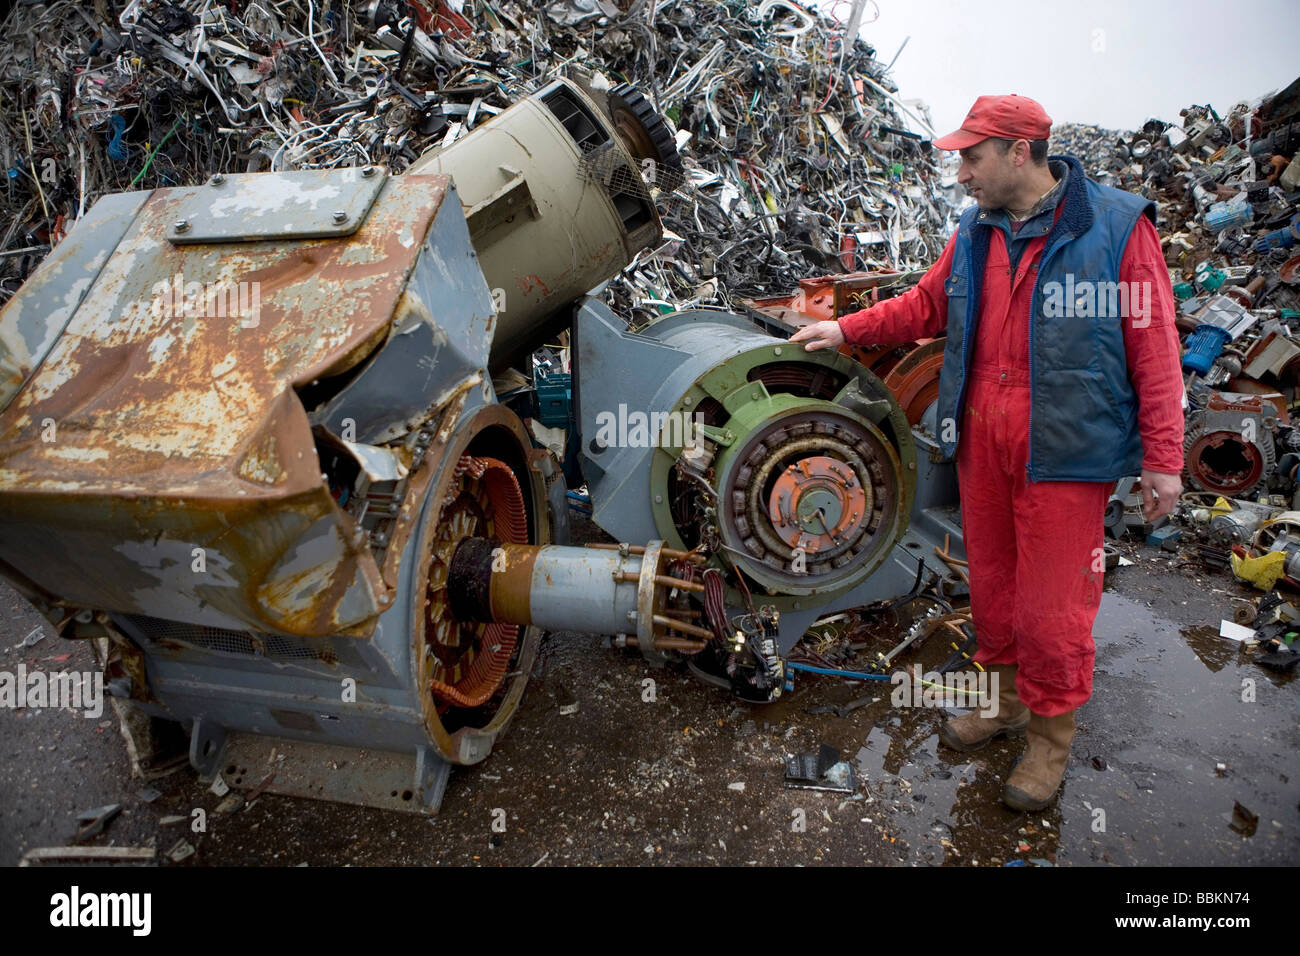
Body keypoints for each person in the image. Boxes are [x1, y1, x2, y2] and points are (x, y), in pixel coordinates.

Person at [790, 94, 1186, 811]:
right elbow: (925, 306)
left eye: (972, 157)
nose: (961, 172)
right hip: (982, 439)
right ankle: (1003, 706)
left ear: (1019, 152)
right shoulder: (975, 233)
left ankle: (1048, 741)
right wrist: (846, 331)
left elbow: (1154, 347)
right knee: (995, 588)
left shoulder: (1117, 227)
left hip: (1067, 451)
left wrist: (1164, 458)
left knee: (1054, 608)